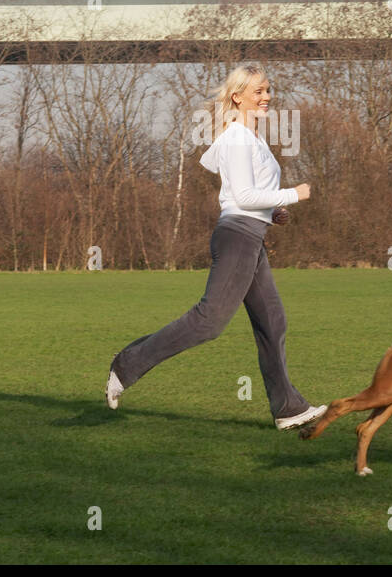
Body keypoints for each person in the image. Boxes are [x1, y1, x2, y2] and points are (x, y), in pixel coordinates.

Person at [105, 64, 326, 430]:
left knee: (272, 321)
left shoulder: (251, 139)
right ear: (238, 97)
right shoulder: (237, 138)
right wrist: (294, 194)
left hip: (252, 235)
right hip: (238, 237)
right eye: (258, 91)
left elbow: (251, 197)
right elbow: (242, 196)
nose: (266, 96)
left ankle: (288, 408)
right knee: (209, 322)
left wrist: (275, 211)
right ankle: (126, 365)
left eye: (268, 89)